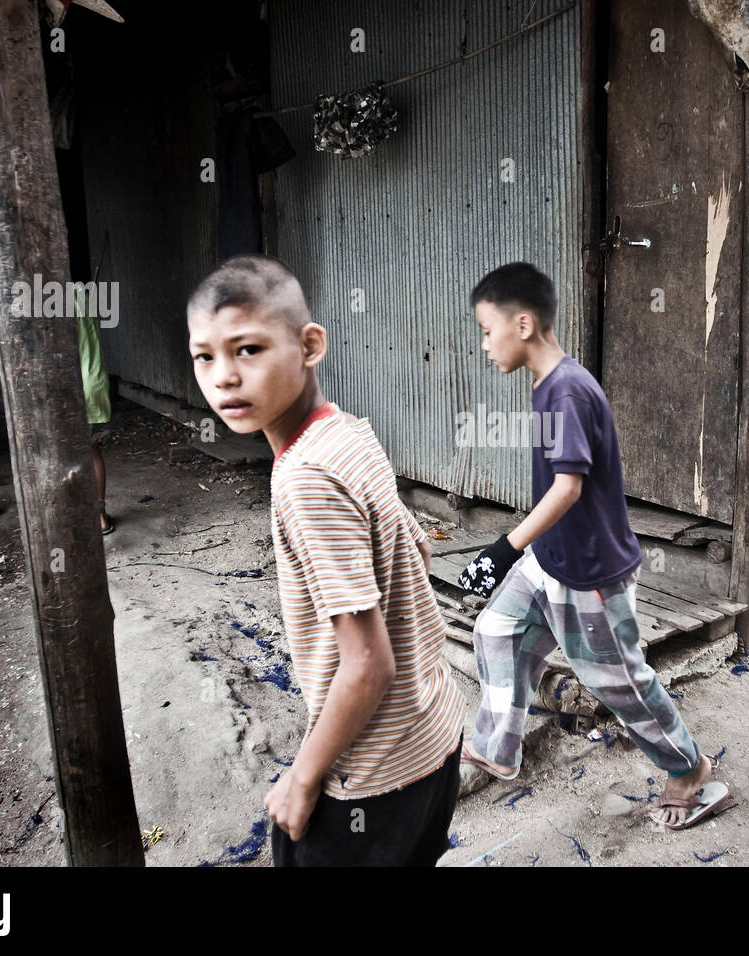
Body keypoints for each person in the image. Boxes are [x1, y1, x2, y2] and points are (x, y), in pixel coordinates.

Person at [186, 254, 465, 866]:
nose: (224, 377)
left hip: (375, 771)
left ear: (310, 345)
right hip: (435, 733)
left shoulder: (305, 478)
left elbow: (368, 666)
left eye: (248, 349)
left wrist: (302, 780)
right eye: (205, 356)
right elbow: (413, 545)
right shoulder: (346, 430)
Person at [456, 262, 729, 830]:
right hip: (550, 559)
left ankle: (688, 768)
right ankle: (494, 751)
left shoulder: (567, 392)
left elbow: (568, 487)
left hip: (589, 573)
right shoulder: (547, 385)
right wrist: (520, 552)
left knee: (618, 682)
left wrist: (503, 548)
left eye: (487, 330)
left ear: (524, 324)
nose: (483, 345)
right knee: (496, 631)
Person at [76, 288, 114, 533]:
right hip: (94, 383)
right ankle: (99, 515)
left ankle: (76, 514)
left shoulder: (46, 300)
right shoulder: (81, 294)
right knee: (91, 451)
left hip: (71, 388)